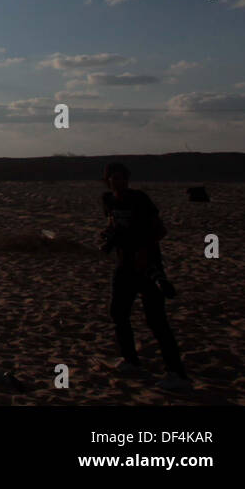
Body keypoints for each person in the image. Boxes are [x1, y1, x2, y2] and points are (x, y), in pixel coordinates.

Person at [99, 162, 190, 390]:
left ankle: (176, 374)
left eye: (122, 178)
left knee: (156, 321)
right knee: (118, 313)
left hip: (147, 266)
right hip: (124, 265)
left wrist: (143, 251)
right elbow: (112, 223)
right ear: (108, 180)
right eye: (114, 178)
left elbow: (160, 230)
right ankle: (131, 361)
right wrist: (109, 235)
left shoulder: (139, 199)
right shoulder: (108, 200)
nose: (119, 182)